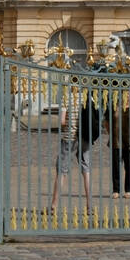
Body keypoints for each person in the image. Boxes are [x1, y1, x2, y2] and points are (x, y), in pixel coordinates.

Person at [50, 86, 97, 215]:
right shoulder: (88, 97)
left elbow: (62, 121)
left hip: (69, 137)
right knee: (86, 170)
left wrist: (69, 123)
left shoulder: (66, 98)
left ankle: (54, 205)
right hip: (85, 137)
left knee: (62, 171)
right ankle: (89, 206)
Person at [103, 93, 130, 197]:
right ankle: (116, 190)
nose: (126, 95)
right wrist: (111, 133)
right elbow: (106, 121)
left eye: (128, 93)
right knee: (116, 166)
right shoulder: (113, 106)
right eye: (124, 93)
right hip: (116, 140)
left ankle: (128, 190)